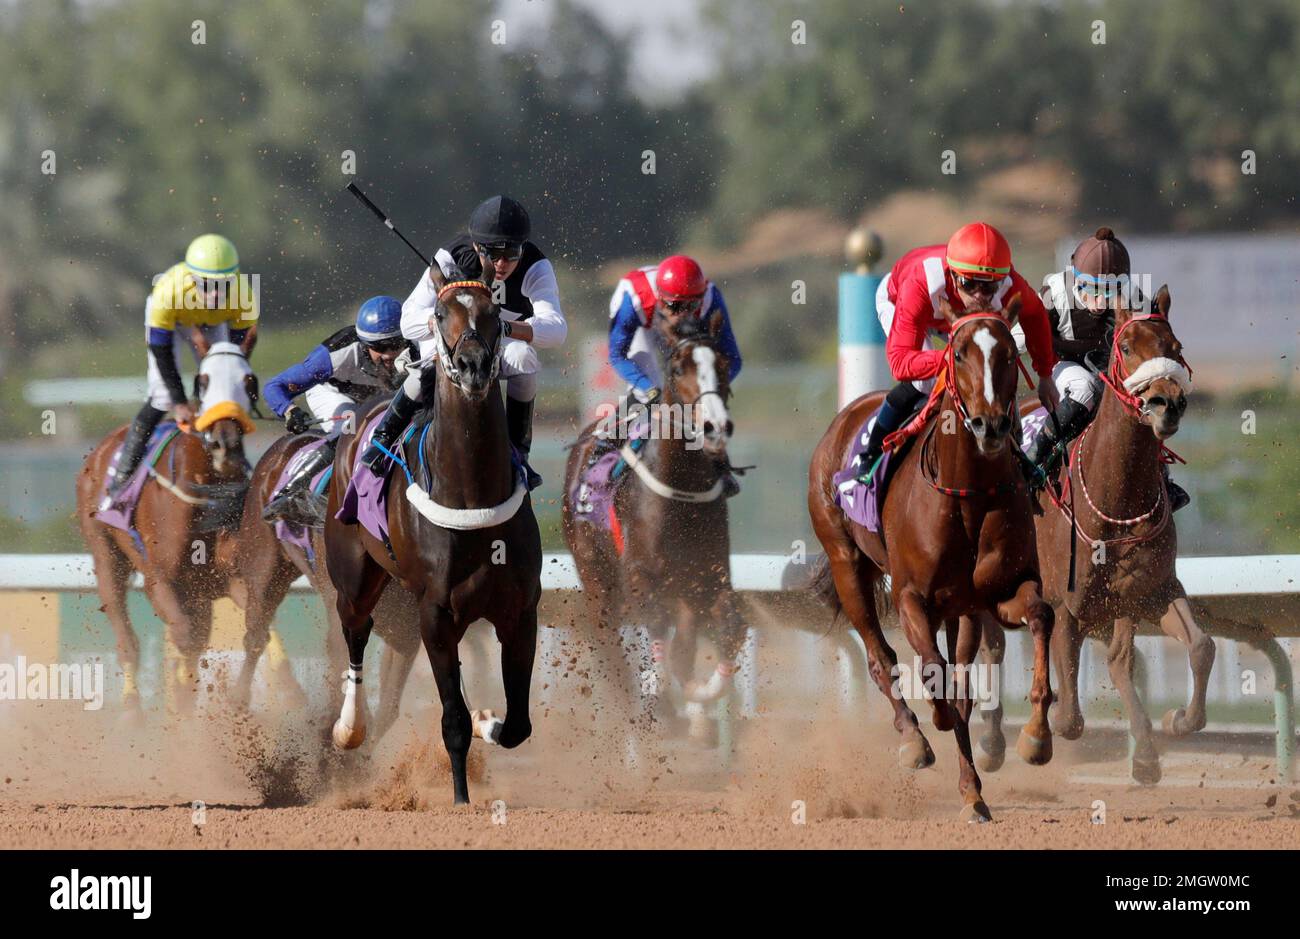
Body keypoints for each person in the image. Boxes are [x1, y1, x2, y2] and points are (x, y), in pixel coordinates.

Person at [358, 195, 565, 490]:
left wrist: (502, 327)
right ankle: (383, 437)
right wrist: (443, 323)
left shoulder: (535, 266)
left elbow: (557, 331)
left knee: (523, 357)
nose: (503, 263)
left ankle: (520, 451)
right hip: (452, 345)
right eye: (493, 254)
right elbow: (408, 320)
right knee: (431, 360)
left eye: (512, 253)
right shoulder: (451, 257)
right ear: (477, 246)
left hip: (497, 345)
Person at [858, 221, 1059, 476]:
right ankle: (871, 454)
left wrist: (1045, 375)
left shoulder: (1011, 284)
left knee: (989, 366)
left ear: (1001, 279)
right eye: (969, 283)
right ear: (953, 274)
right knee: (925, 383)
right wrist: (956, 360)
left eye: (989, 286)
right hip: (904, 304)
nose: (979, 295)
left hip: (958, 319)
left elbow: (1035, 315)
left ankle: (1012, 443)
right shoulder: (921, 285)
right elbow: (900, 363)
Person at [1027, 227, 1189, 509]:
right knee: (1084, 387)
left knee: (1141, 400)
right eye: (1093, 290)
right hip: (1063, 367)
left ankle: (1163, 476)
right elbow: (1020, 337)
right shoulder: (1054, 294)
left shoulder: (1133, 298)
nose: (1102, 303)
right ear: (1076, 280)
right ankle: (1033, 462)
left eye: (1110, 291)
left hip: (1109, 368)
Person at [109, 234, 258, 496]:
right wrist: (180, 401)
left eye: (222, 286)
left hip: (213, 325)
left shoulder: (243, 296)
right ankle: (124, 473)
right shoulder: (167, 292)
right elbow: (161, 351)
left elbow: (236, 359)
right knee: (163, 397)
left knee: (225, 394)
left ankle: (236, 465)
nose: (214, 293)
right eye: (206, 285)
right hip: (173, 325)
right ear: (191, 279)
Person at [261, 296, 412, 524]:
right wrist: (290, 410)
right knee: (351, 430)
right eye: (380, 348)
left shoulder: (417, 347)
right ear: (364, 343)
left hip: (381, 401)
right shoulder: (335, 354)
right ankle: (290, 492)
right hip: (334, 395)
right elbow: (275, 386)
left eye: (396, 344)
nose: (390, 355)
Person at [606, 254, 744, 495]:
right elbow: (618, 355)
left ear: (700, 299)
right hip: (645, 326)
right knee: (649, 394)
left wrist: (707, 393)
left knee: (704, 401)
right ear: (660, 299)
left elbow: (733, 359)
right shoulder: (633, 299)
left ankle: (721, 466)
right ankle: (599, 457)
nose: (682, 314)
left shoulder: (712, 300)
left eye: (690, 306)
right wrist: (649, 389)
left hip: (690, 339)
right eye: (675, 306)